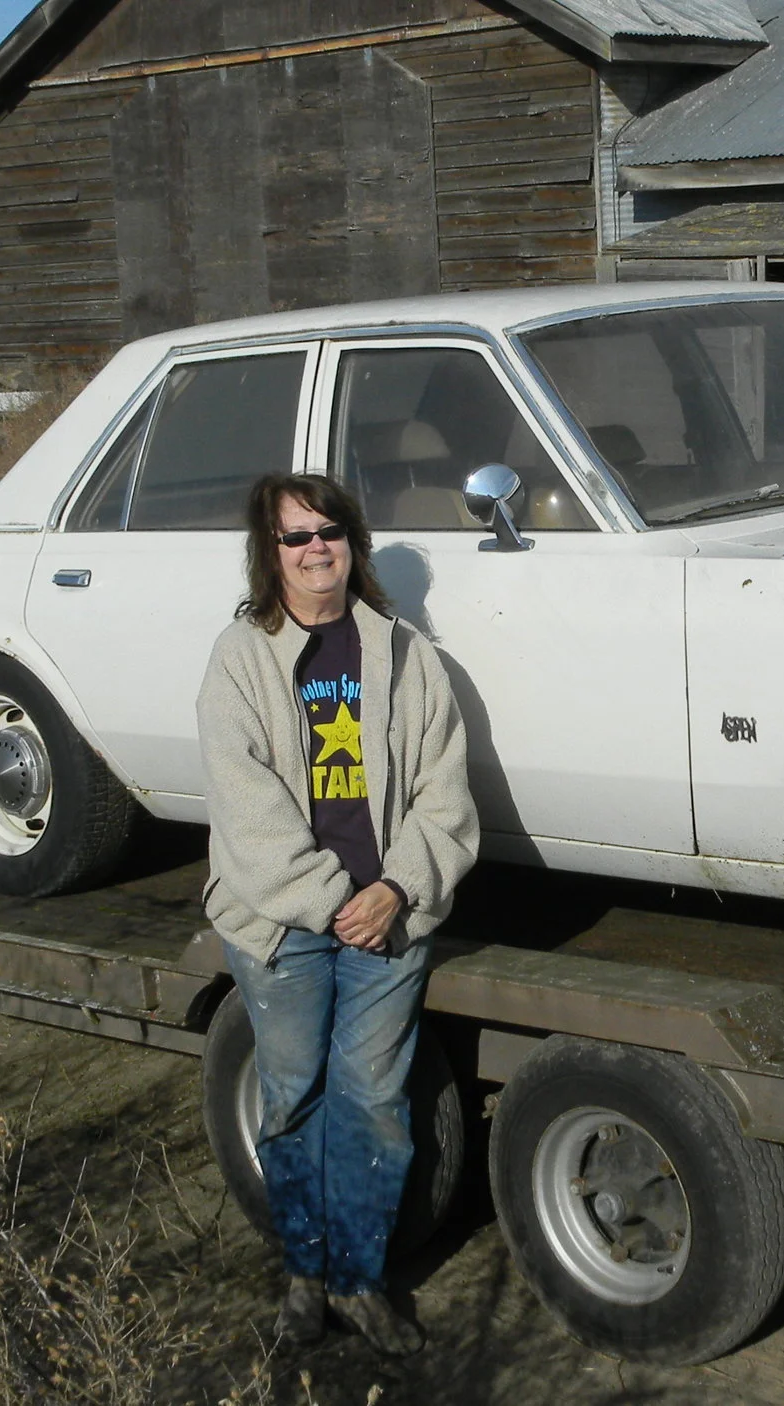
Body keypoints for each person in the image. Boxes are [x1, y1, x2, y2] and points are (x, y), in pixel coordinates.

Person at [196, 474, 478, 1355]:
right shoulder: (239, 659)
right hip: (282, 926)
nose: (316, 548)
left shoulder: (405, 655)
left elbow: (445, 792)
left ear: (351, 541)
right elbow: (246, 808)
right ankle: (303, 1276)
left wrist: (396, 890)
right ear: (268, 553)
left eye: (329, 531)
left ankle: (358, 1284)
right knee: (292, 1101)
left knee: (374, 1109)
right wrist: (330, 900)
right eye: (295, 537)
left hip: (388, 922)